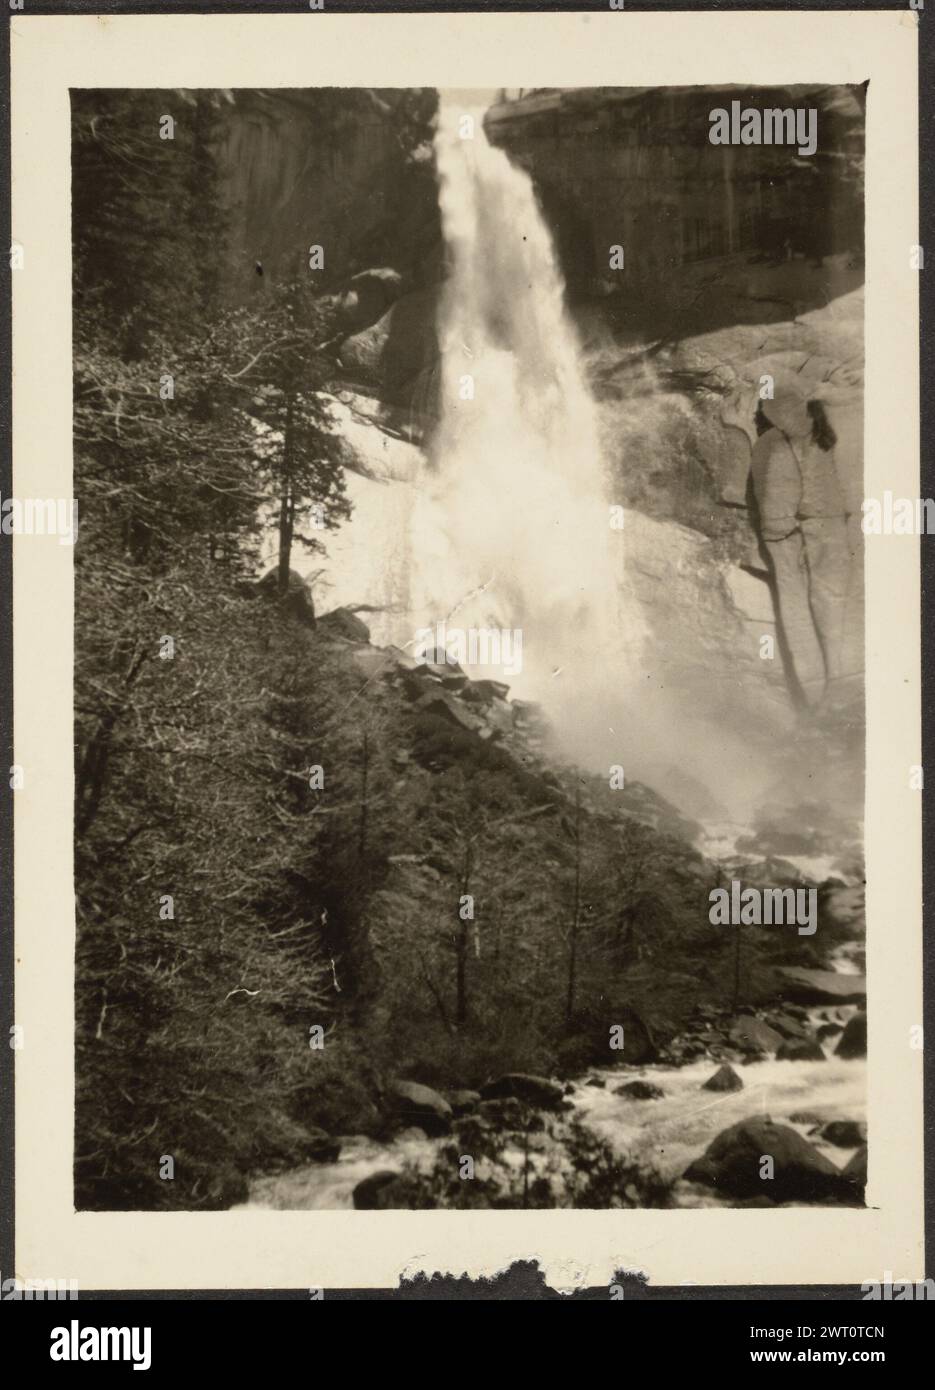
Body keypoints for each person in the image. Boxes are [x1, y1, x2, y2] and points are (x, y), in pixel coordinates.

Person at [750, 376, 849, 708]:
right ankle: (836, 683)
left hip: (796, 531)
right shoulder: (822, 436)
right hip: (831, 524)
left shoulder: (776, 443)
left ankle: (817, 694)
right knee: (830, 604)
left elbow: (776, 500)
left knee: (797, 610)